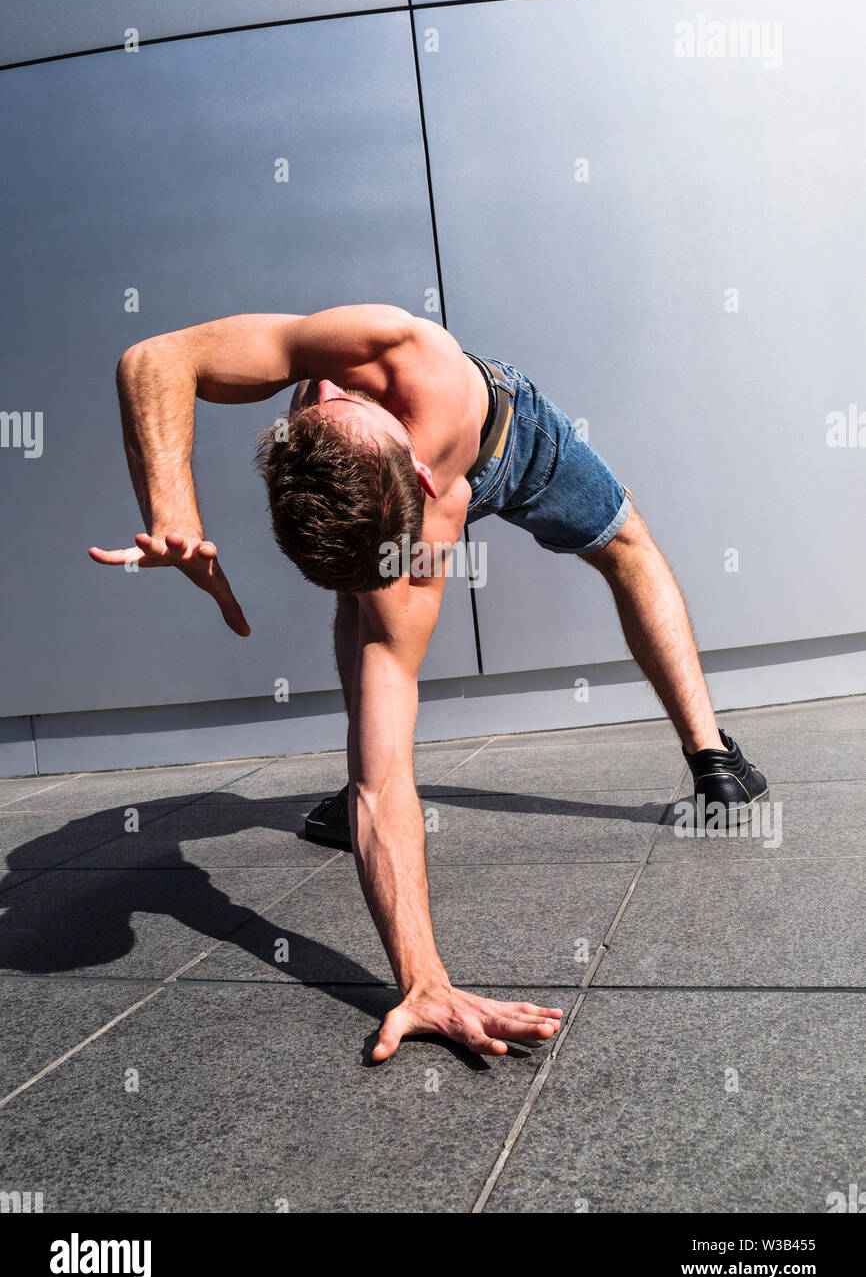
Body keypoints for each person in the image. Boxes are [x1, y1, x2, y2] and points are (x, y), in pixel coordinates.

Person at [91, 303, 766, 1061]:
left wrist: (178, 508)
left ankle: (711, 758)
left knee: (627, 543)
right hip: (403, 489)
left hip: (517, 435)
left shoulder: (397, 349)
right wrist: (424, 983)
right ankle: (713, 760)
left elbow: (152, 356)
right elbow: (154, 359)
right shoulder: (357, 440)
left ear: (417, 483)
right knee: (376, 654)